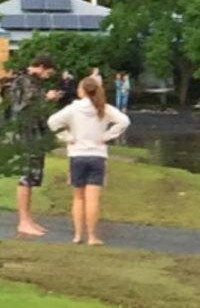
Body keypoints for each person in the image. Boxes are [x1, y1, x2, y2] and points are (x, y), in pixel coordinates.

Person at [47, 76, 130, 245]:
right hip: (97, 155)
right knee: (93, 199)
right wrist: (106, 136)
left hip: (77, 154)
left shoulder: (73, 109)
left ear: (82, 90)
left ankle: (78, 235)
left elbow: (52, 122)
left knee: (78, 198)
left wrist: (66, 137)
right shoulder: (104, 108)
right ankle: (92, 236)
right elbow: (124, 121)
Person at [9, 55, 62, 237]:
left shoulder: (33, 82)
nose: (49, 76)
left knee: (31, 177)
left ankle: (28, 219)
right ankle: (23, 221)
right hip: (25, 136)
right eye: (48, 71)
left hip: (34, 135)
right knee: (25, 177)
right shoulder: (22, 81)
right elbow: (21, 110)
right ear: (40, 66)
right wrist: (46, 99)